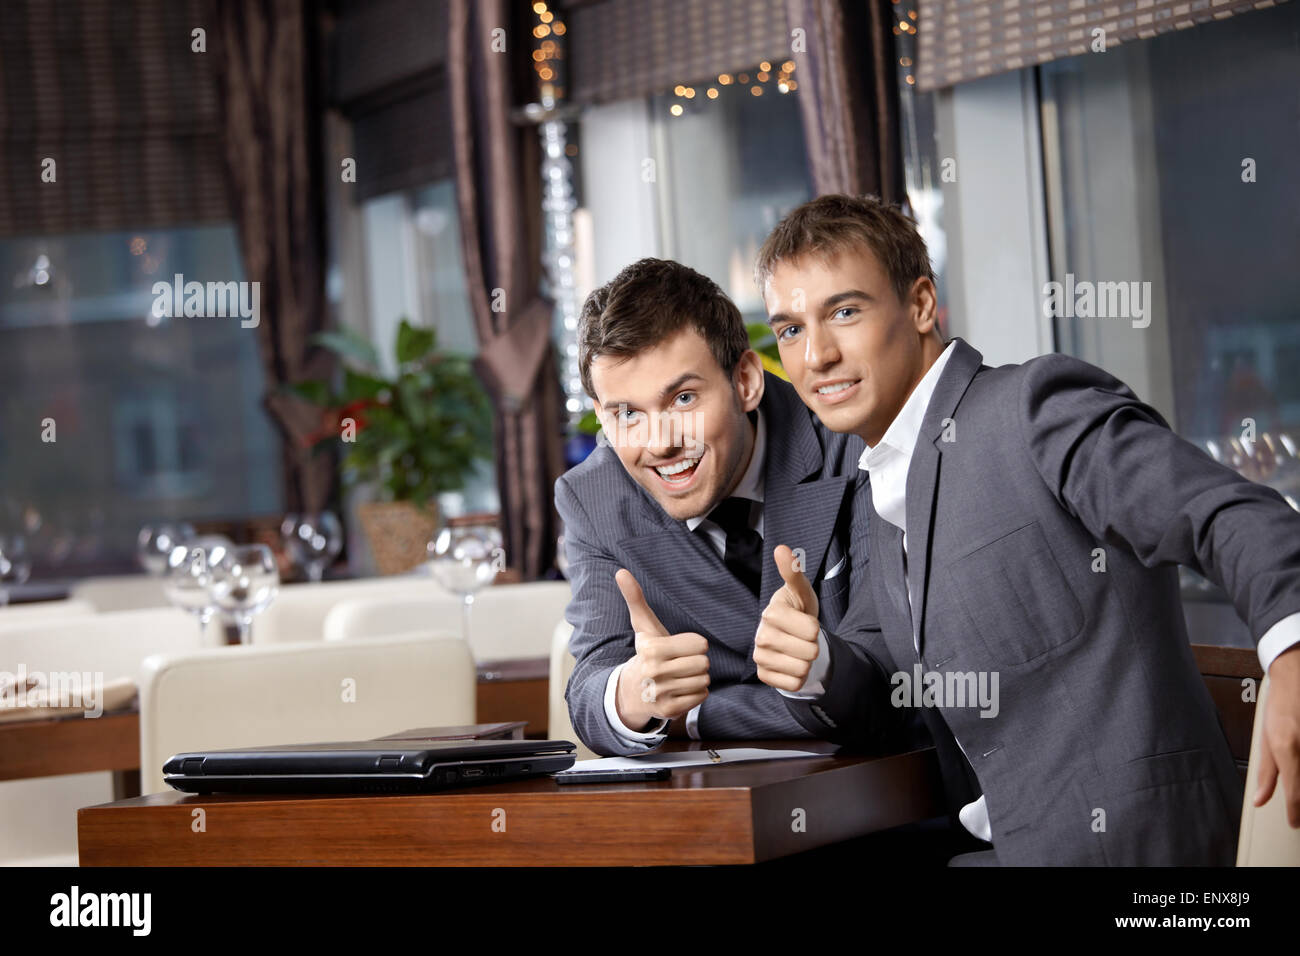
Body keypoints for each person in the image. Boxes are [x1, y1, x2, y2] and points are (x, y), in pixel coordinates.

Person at [753, 193, 1300, 865]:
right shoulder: (885, 483)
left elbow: (1232, 513)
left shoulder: (1034, 410)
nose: (816, 355)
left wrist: (1293, 656)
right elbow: (887, 684)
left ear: (920, 305)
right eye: (789, 329)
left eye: (844, 311)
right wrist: (815, 664)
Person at [557, 258, 903, 757]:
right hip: (712, 812)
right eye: (627, 413)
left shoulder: (852, 444)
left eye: (682, 399)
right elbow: (591, 688)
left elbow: (891, 686)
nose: (659, 445)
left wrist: (698, 716)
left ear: (745, 382)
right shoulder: (593, 497)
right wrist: (634, 692)